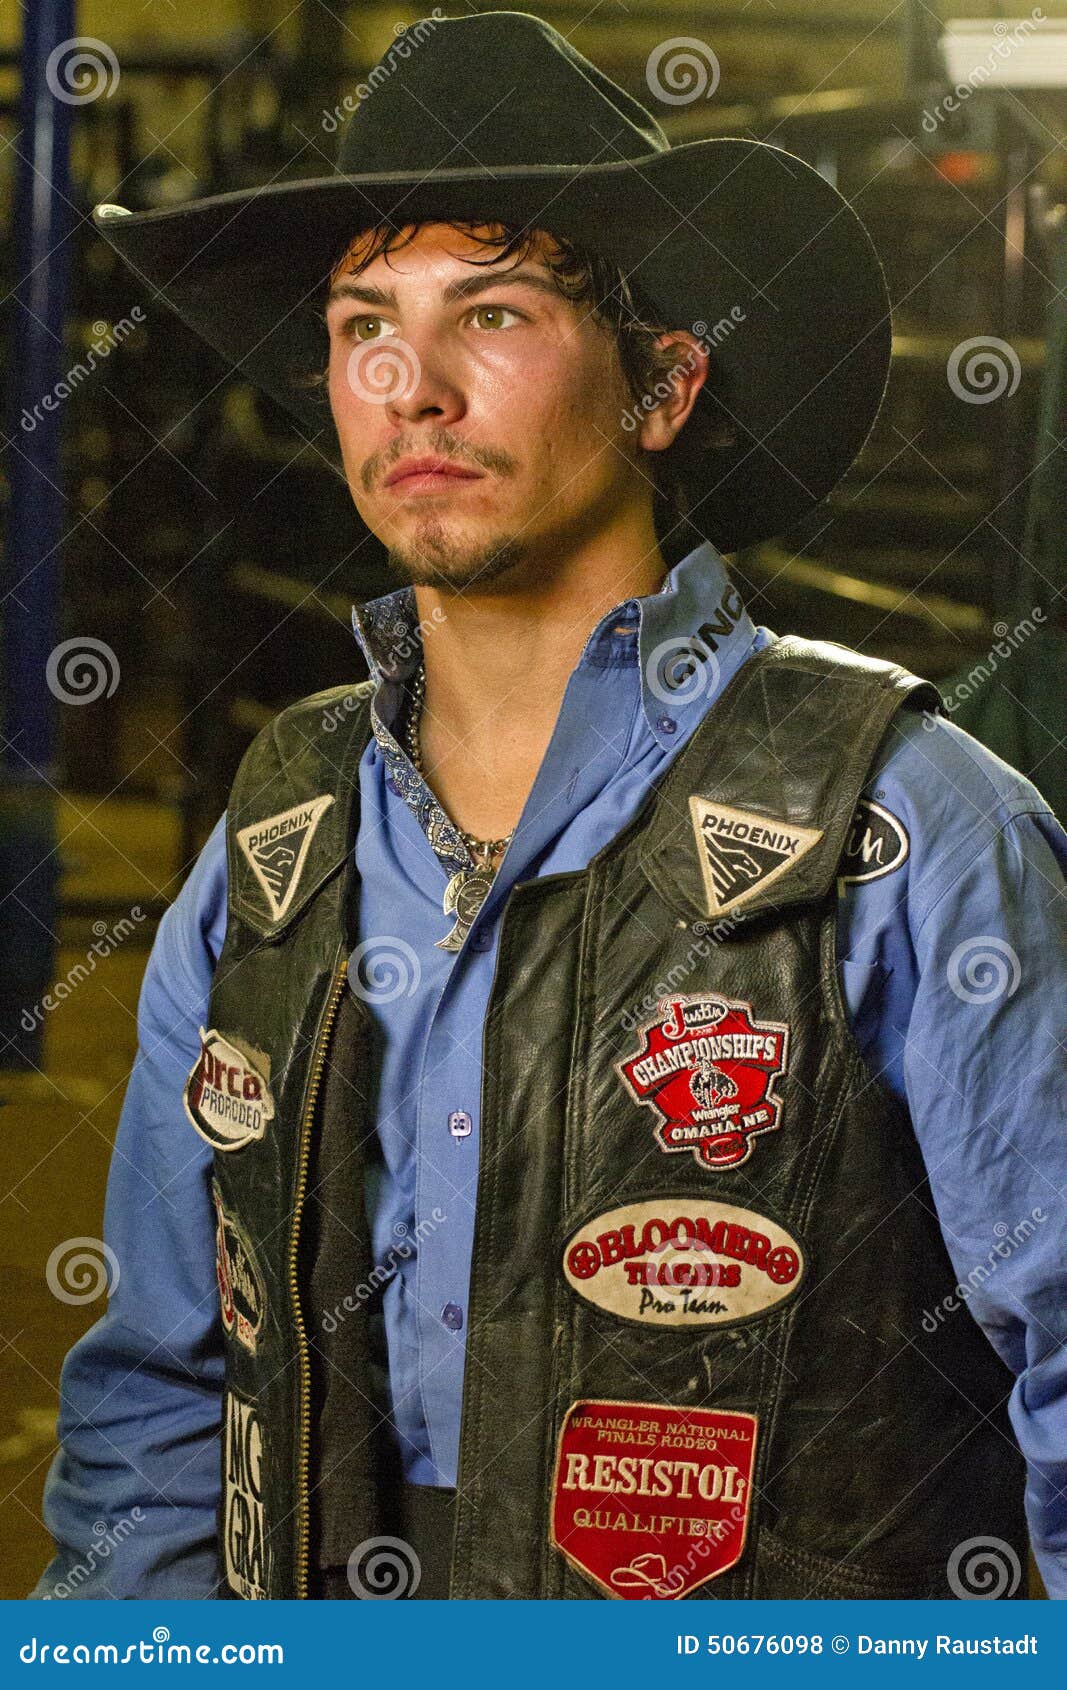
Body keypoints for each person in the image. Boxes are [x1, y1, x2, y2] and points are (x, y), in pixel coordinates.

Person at [31, 10, 1066, 1601]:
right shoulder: (275, 842)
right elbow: (163, 1394)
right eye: (363, 320)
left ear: (663, 387)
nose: (412, 385)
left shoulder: (912, 833)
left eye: (492, 312)